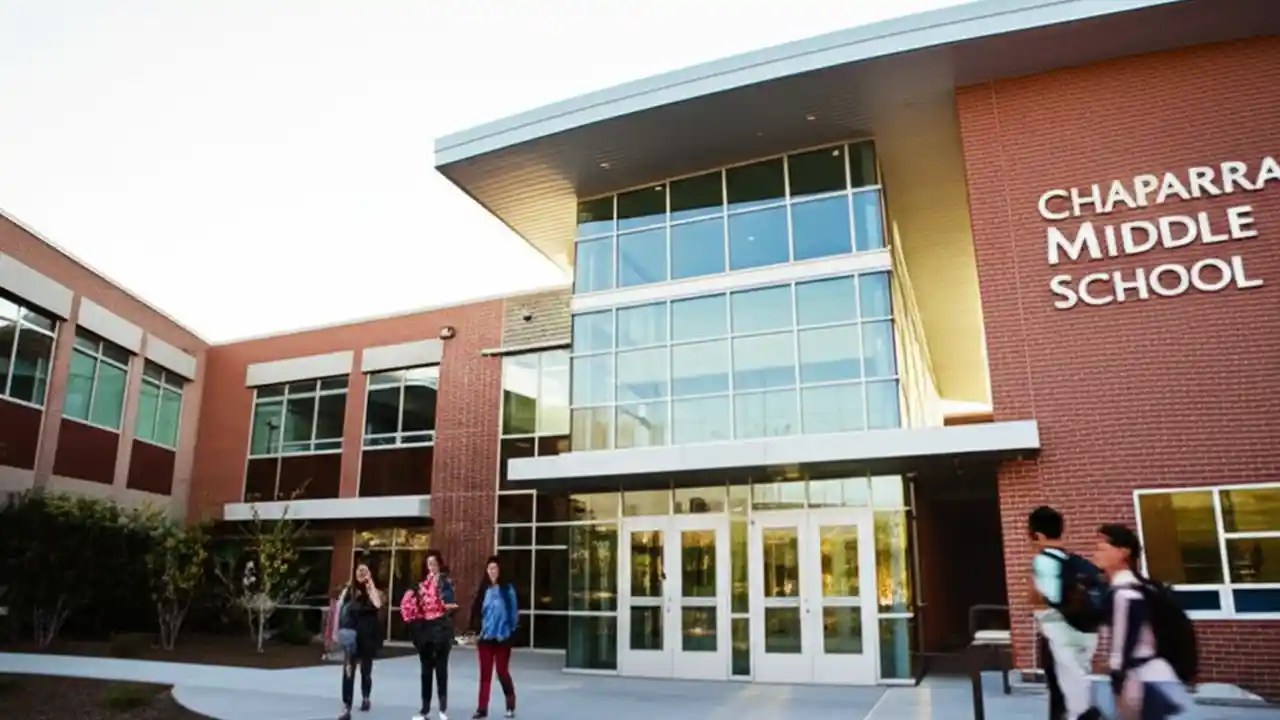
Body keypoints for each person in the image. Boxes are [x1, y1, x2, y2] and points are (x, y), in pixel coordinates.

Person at [1094, 524, 1197, 719]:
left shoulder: (1124, 593)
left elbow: (1123, 646)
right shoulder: (1141, 587)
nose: (1095, 554)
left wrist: (1118, 683)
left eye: (1102, 548)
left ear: (1124, 552)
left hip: (1140, 682)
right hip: (1156, 678)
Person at [1028, 506, 1102, 720]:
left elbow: (1049, 598)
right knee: (1080, 682)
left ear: (1038, 535)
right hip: (1087, 631)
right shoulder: (1074, 562)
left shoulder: (1043, 560)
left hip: (1060, 632)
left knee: (1067, 694)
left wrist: (1033, 596)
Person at [403, 549, 457, 720]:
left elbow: (450, 604)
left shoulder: (445, 582)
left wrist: (442, 604)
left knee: (441, 668)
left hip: (442, 628)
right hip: (426, 630)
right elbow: (415, 606)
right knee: (426, 670)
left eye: (434, 563)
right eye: (429, 564)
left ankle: (442, 708)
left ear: (439, 564)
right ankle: (425, 708)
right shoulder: (421, 585)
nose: (431, 567)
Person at [469, 556, 519, 719]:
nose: (492, 572)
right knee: (485, 674)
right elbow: (476, 613)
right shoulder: (484, 589)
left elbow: (513, 613)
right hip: (486, 638)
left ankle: (510, 704)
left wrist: (511, 632)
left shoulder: (507, 589)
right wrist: (475, 631)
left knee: (502, 672)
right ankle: (482, 708)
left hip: (503, 638)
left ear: (500, 570)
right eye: (489, 569)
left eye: (495, 568)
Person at [336, 562, 383, 720]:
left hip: (368, 636)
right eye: (359, 570)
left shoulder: (373, 590)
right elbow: (340, 607)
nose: (362, 573)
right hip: (352, 636)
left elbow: (378, 603)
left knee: (366, 670)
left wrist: (370, 584)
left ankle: (365, 697)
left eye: (365, 570)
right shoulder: (350, 591)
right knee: (348, 670)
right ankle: (346, 706)